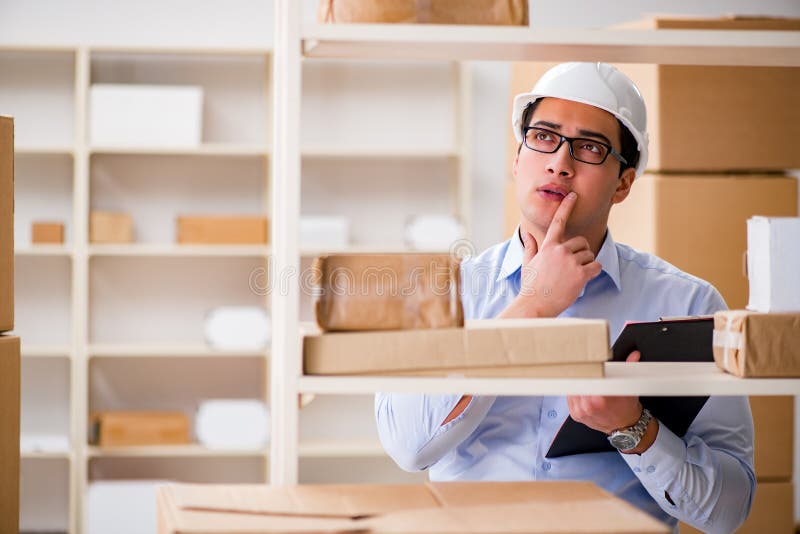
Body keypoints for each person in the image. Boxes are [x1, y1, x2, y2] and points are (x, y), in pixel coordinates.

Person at [375, 62, 755, 534]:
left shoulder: (689, 304)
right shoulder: (444, 295)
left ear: (623, 183)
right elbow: (408, 447)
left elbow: (728, 512)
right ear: (517, 158)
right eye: (544, 137)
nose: (560, 162)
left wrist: (634, 428)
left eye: (590, 148)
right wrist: (530, 307)